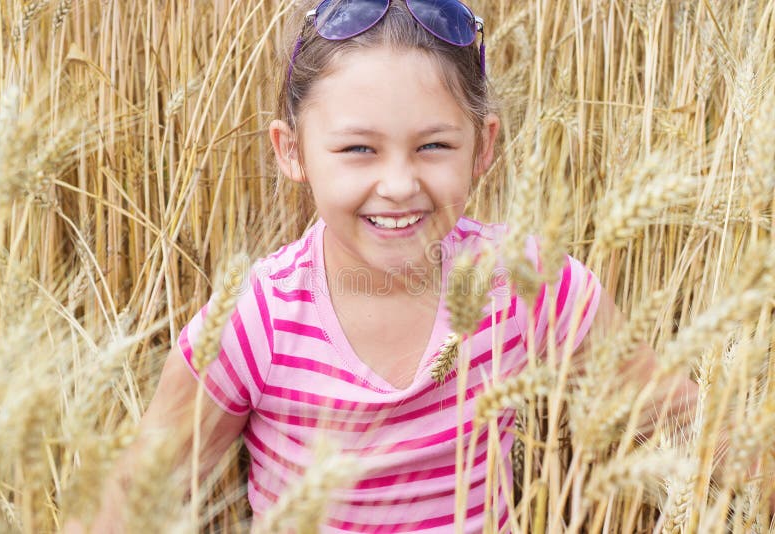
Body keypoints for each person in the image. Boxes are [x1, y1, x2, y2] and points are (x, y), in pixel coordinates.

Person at [66, 0, 693, 532]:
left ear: (483, 146)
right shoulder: (257, 320)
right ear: (292, 151)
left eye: (434, 145)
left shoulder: (526, 282)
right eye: (359, 149)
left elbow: (687, 425)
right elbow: (133, 500)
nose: (398, 184)